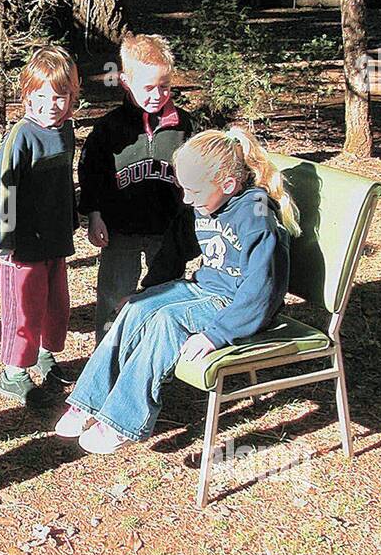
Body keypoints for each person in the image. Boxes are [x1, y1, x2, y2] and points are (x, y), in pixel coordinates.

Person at [55, 127, 300, 453]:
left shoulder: (256, 216)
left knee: (165, 322)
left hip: (235, 304)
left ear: (227, 185)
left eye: (193, 192)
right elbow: (173, 249)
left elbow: (263, 290)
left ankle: (122, 421)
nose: (186, 199)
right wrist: (150, 290)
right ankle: (88, 401)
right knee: (137, 308)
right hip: (204, 289)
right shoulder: (204, 202)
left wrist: (218, 334)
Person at [78, 32, 193, 343]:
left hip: (167, 229)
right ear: (126, 81)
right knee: (115, 295)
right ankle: (108, 355)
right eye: (149, 87)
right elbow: (91, 174)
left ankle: (161, 353)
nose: (158, 95)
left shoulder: (185, 126)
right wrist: (94, 214)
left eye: (165, 87)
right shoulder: (109, 129)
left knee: (166, 294)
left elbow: (198, 174)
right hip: (120, 229)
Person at [0, 45, 80, 403]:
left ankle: (44, 354)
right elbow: (1, 186)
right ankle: (13, 371)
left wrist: (71, 219)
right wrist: (0, 238)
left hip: (55, 240)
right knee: (23, 306)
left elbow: (64, 183)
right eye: (40, 96)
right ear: (26, 95)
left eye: (60, 96)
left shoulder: (66, 131)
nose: (50, 104)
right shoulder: (21, 136)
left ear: (72, 97)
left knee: (55, 304)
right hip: (22, 245)